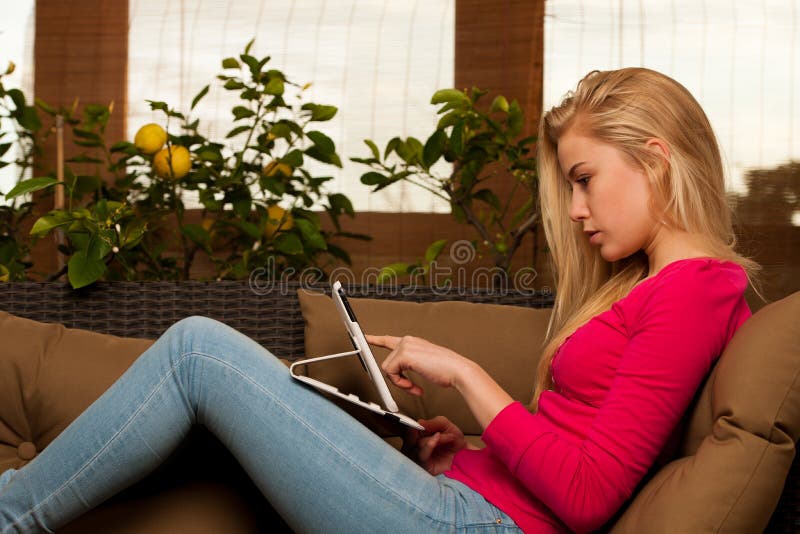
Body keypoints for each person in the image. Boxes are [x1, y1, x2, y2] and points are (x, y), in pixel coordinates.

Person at [0, 67, 763, 533]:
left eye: (583, 177)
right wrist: (464, 447)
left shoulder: (696, 292)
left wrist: (469, 377)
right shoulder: (658, 286)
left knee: (200, 350)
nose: (572, 209)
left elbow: (592, 496)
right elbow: (581, 445)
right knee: (205, 366)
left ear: (655, 160)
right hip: (460, 497)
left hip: (473, 528)